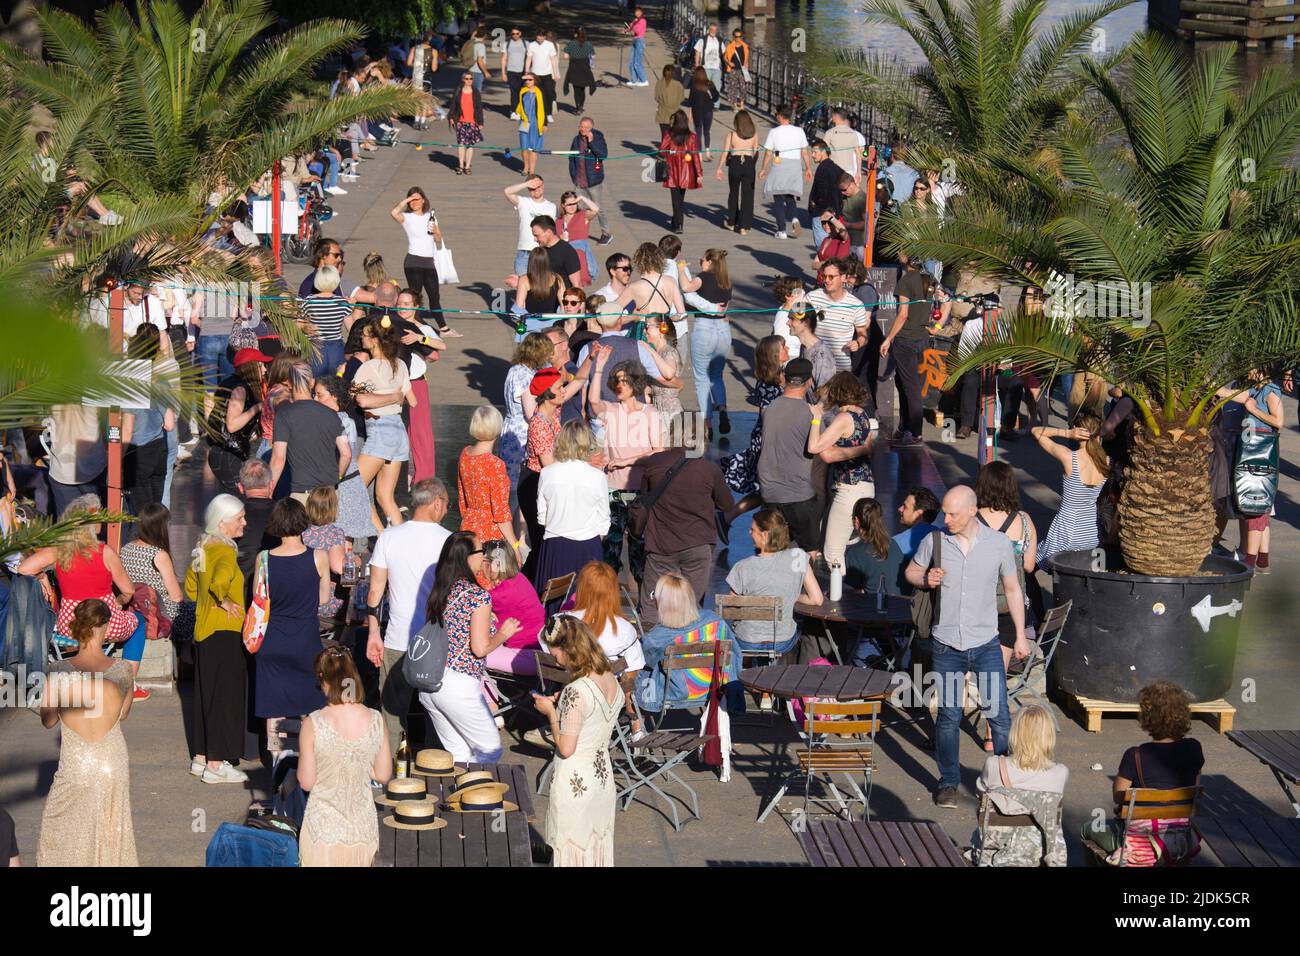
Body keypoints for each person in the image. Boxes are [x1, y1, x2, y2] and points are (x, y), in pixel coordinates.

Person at [906, 486, 1026, 809]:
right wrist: (925, 577)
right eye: (944, 512)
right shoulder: (934, 541)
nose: (946, 519)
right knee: (948, 717)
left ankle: (1003, 781)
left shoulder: (998, 545)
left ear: (973, 511)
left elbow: (1013, 589)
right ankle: (948, 782)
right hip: (946, 645)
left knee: (998, 716)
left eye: (953, 514)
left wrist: (1020, 635)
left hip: (986, 644)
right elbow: (911, 571)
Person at [37, 599, 137, 866]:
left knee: (62, 832)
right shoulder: (123, 670)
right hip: (112, 760)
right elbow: (123, 715)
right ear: (105, 627)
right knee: (112, 832)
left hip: (76, 763)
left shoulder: (57, 671)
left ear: (76, 628)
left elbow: (48, 721)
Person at [18, 495, 149, 698]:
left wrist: (43, 576)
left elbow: (24, 568)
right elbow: (129, 591)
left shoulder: (59, 550)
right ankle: (128, 684)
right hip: (105, 623)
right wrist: (119, 602)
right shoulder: (104, 552)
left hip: (70, 626)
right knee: (139, 621)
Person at [363, 479, 451, 753]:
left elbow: (375, 591)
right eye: (446, 504)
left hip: (397, 637)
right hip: (436, 641)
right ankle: (437, 771)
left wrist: (373, 634)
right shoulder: (449, 540)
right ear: (436, 503)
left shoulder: (389, 537)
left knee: (391, 712)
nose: (446, 510)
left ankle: (386, 773)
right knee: (437, 714)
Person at [421, 532, 520, 764]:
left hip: (430, 685)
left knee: (459, 755)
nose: (484, 556)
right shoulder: (477, 596)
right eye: (480, 552)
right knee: (489, 751)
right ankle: (476, 799)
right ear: (467, 558)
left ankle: (457, 798)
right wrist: (502, 633)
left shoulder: (441, 590)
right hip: (458, 686)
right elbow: (480, 648)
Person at [534, 615, 623, 866]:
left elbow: (566, 747)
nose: (556, 660)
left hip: (575, 784)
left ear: (569, 649)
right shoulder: (608, 677)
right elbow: (594, 713)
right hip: (602, 780)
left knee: (569, 850)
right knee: (596, 848)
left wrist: (552, 713)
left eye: (556, 654)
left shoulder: (577, 690)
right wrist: (565, 702)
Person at [1087, 680, 1204, 865]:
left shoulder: (1135, 755)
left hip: (1139, 845)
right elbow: (1193, 786)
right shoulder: (1194, 748)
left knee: (1088, 829)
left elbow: (1119, 796)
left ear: (1147, 717)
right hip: (1179, 841)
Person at [297, 646, 391, 867]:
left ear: (324, 680)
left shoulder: (313, 722)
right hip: (362, 830)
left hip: (322, 832)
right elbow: (384, 774)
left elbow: (307, 782)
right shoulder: (376, 719)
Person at [184, 494, 249, 783]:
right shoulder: (224, 552)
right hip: (225, 631)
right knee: (224, 697)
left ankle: (200, 757)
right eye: (239, 519)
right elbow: (220, 581)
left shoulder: (203, 548)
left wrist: (209, 601)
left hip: (203, 630)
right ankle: (215, 763)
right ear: (223, 523)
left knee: (205, 695)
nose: (244, 523)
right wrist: (222, 600)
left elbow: (190, 588)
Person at [255, 500, 330, 747]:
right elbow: (323, 598)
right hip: (305, 639)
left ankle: (278, 761)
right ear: (303, 522)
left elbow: (259, 600)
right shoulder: (318, 556)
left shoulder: (263, 558)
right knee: (308, 704)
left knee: (274, 707)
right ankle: (306, 756)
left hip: (272, 638)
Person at [637, 442, 733, 627]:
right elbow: (727, 504)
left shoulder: (654, 463)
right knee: (692, 606)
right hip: (698, 544)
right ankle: (687, 649)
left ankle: (652, 646)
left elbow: (644, 496)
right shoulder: (708, 469)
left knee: (652, 605)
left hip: (660, 544)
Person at [588, 350, 662, 582]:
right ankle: (609, 606)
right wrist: (598, 367)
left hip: (641, 491)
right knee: (611, 550)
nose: (619, 385)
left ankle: (644, 609)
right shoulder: (611, 410)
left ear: (635, 383)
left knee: (640, 550)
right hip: (613, 491)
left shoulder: (650, 413)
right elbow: (593, 401)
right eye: (616, 380)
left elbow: (658, 451)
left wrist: (625, 461)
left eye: (625, 380)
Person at [973, 704, 1068, 867]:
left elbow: (980, 797)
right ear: (1048, 736)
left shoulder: (994, 765)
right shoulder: (1060, 773)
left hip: (992, 854)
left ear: (1016, 733)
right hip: (1037, 855)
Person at [975, 460, 1039, 700]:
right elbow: (1030, 565)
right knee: (998, 671)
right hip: (1009, 606)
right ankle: (992, 734)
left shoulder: (972, 519)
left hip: (977, 604)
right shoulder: (1023, 520)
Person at [635, 573, 742, 714]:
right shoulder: (715, 621)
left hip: (678, 691)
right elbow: (735, 653)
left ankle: (636, 724)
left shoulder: (656, 637)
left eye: (655, 595)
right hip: (715, 686)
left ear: (663, 603)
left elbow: (645, 661)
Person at [726, 507, 822, 655]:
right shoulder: (798, 557)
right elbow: (816, 599)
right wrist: (790, 596)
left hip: (748, 641)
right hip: (782, 640)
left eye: (752, 530)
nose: (749, 533)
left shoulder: (742, 567)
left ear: (764, 535)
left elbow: (730, 609)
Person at [1216, 370, 1284, 570]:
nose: (1246, 371)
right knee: (1260, 502)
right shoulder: (1254, 390)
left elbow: (1278, 422)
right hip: (1252, 447)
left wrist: (1254, 410)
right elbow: (1238, 395)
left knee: (1256, 501)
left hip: (1260, 449)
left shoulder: (1271, 390)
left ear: (1262, 370)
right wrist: (1216, 388)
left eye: (1251, 368)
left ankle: (1250, 561)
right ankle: (1262, 557)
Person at [809, 371, 876, 569]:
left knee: (832, 552)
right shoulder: (861, 415)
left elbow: (815, 448)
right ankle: (848, 586)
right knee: (835, 538)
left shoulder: (844, 418)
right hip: (865, 485)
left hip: (848, 489)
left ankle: (838, 597)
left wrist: (815, 418)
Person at [534, 421, 610, 591]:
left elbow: (542, 517)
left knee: (552, 604)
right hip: (589, 546)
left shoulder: (547, 473)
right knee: (588, 603)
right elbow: (604, 519)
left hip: (555, 546)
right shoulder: (597, 477)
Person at [353, 319, 414, 529]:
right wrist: (395, 396)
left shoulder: (367, 368)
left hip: (380, 430)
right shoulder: (400, 364)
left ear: (375, 340)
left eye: (365, 334)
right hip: (398, 432)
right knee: (385, 497)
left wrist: (388, 397)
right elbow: (411, 400)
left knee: (353, 488)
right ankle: (400, 542)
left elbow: (361, 400)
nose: (361, 337)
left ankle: (381, 536)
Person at [756, 358, 821, 555]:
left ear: (784, 378)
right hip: (798, 494)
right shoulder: (809, 413)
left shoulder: (769, 409)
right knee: (810, 551)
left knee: (774, 549)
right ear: (810, 381)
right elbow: (819, 449)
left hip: (769, 492)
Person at [1032, 412, 1108, 571]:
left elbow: (1036, 432)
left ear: (1077, 432)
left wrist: (1066, 433)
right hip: (1092, 532)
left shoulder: (1069, 457)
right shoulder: (1106, 461)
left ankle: (1030, 596)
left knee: (1032, 564)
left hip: (1067, 531)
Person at [270, 363, 350, 504]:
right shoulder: (331, 414)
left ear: (289, 383)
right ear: (312, 382)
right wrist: (337, 478)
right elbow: (346, 454)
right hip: (329, 494)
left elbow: (278, 459)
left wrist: (267, 492)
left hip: (302, 493)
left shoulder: (284, 415)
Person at [721, 335, 786, 506]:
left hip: (774, 437)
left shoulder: (783, 375)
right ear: (774, 355)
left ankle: (733, 516)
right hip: (767, 438)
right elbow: (766, 416)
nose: (787, 350)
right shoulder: (767, 384)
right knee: (764, 487)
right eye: (783, 347)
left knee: (764, 489)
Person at [308, 376, 373, 541]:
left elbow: (346, 455)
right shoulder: (346, 419)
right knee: (344, 542)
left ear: (334, 396)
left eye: (319, 395)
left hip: (341, 486)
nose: (314, 398)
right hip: (347, 484)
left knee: (340, 539)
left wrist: (334, 480)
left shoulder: (339, 420)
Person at [121, 327, 176, 518]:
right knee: (154, 512)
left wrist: (116, 460)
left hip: (137, 454)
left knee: (139, 516)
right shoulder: (160, 381)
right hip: (159, 450)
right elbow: (170, 423)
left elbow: (127, 430)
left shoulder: (130, 384)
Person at [520, 367, 567, 573]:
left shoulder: (553, 414)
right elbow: (549, 464)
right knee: (541, 541)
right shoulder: (538, 424)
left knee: (545, 541)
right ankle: (530, 584)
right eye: (559, 387)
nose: (563, 390)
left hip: (547, 481)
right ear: (547, 394)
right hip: (535, 484)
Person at [881, 257, 930, 447]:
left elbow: (903, 314)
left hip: (906, 339)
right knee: (903, 385)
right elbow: (947, 300)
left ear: (906, 258)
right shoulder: (929, 278)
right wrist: (937, 324)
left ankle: (915, 433)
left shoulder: (906, 280)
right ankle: (904, 427)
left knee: (911, 388)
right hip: (922, 339)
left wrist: (889, 338)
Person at [480, 539, 545, 677]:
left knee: (474, 653)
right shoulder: (519, 578)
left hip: (526, 654)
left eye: (483, 561)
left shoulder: (499, 595)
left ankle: (489, 697)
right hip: (539, 645)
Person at [459, 405, 521, 550]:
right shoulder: (495, 464)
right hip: (490, 534)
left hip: (467, 527)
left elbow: (462, 498)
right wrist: (515, 545)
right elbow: (501, 513)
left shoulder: (465, 454)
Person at [501, 333, 557, 493]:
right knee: (518, 483)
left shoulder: (515, 369)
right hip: (521, 433)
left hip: (511, 427)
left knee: (511, 479)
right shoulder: (525, 376)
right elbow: (531, 413)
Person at [119, 502, 186, 631]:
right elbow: (176, 597)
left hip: (136, 608)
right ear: (161, 527)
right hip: (160, 614)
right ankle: (186, 651)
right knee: (193, 612)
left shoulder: (126, 548)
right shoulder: (158, 555)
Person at [690, 248, 733, 435]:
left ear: (709, 262)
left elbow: (687, 288)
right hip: (723, 330)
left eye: (702, 260)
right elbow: (726, 311)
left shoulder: (703, 277)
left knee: (701, 378)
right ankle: (722, 409)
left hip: (705, 328)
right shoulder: (727, 282)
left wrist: (683, 272)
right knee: (716, 376)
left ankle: (707, 422)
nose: (701, 263)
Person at [805, 259, 868, 373]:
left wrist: (858, 343)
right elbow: (796, 319)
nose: (826, 281)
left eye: (831, 277)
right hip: (813, 367)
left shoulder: (856, 305)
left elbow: (862, 334)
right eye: (824, 277)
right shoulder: (812, 298)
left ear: (844, 277)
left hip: (840, 369)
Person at [758, 106, 811, 240]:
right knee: (790, 196)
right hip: (795, 165)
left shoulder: (774, 132)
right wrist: (808, 168)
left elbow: (768, 152)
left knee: (778, 198)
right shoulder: (799, 131)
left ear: (780, 116)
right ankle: (794, 219)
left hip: (779, 164)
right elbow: (805, 151)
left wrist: (763, 168)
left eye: (776, 114)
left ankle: (781, 230)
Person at [299, 266, 357, 379]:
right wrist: (352, 307)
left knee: (313, 380)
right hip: (336, 348)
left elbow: (301, 322)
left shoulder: (308, 301)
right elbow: (351, 326)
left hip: (315, 348)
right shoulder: (342, 302)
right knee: (336, 382)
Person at [844, 498, 907, 596]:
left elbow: (854, 592)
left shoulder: (854, 552)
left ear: (856, 521)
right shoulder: (893, 544)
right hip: (901, 603)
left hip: (875, 606)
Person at [714, 109, 759, 235]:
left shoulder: (732, 135)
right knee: (748, 195)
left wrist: (719, 168)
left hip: (735, 163)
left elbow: (725, 152)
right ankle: (744, 227)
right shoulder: (754, 134)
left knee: (733, 193)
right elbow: (756, 152)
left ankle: (732, 221)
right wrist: (751, 164)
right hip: (749, 163)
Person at [568, 117, 611, 245]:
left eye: (586, 127)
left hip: (593, 181)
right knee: (579, 208)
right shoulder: (576, 140)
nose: (583, 129)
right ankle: (580, 232)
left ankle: (606, 234)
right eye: (581, 126)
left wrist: (592, 142)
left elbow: (603, 155)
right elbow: (571, 158)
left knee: (597, 208)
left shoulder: (598, 138)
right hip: (579, 181)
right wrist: (573, 175)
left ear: (592, 128)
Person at [659, 111, 702, 235]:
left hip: (672, 169)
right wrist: (699, 173)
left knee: (675, 198)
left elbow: (662, 150)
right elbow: (696, 157)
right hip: (686, 170)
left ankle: (678, 224)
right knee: (681, 198)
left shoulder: (669, 134)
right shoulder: (692, 136)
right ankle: (676, 220)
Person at [504, 176, 557, 276]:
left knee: (541, 288)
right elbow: (507, 192)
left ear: (543, 185)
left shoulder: (552, 207)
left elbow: (554, 230)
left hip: (544, 253)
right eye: (532, 188)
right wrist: (526, 184)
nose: (536, 190)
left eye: (539, 186)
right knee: (523, 287)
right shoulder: (523, 202)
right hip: (525, 252)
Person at [302, 485, 350, 578]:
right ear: (333, 507)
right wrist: (354, 560)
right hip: (322, 584)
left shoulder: (300, 530)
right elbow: (338, 568)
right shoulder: (334, 533)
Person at [807, 139, 845, 252]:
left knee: (823, 249)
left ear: (823, 151)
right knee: (832, 247)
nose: (812, 155)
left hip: (821, 214)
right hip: (833, 214)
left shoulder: (823, 168)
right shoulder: (835, 167)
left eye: (815, 152)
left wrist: (815, 203)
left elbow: (823, 192)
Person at [557, 191, 600, 285]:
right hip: (563, 256)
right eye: (569, 204)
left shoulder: (583, 215)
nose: (572, 206)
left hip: (579, 257)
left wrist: (582, 198)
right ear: (563, 205)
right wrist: (560, 237)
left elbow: (596, 209)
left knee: (578, 287)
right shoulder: (559, 220)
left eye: (574, 203)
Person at [789, 307, 836, 393]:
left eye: (792, 319)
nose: (787, 323)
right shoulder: (804, 346)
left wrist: (815, 407)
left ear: (806, 322)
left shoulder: (822, 355)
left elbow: (826, 394)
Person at [448, 71, 485, 178]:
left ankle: (467, 166)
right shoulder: (458, 91)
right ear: (463, 80)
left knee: (470, 145)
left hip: (473, 121)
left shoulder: (476, 92)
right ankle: (460, 166)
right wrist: (451, 117)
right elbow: (453, 105)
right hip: (460, 121)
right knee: (461, 144)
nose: (469, 81)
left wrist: (480, 122)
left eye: (471, 79)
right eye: (467, 79)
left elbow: (479, 108)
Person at [515, 246, 566, 320]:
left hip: (532, 322)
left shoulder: (524, 279)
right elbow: (563, 304)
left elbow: (519, 306)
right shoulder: (557, 278)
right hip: (552, 322)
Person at [894, 485, 943, 559]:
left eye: (905, 506)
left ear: (919, 515)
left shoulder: (896, 543)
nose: (900, 509)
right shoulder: (943, 538)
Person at [514, 73, 547, 178]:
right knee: (524, 147)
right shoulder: (522, 91)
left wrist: (545, 123)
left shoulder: (540, 92)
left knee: (534, 148)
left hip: (536, 121)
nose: (528, 81)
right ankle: (525, 167)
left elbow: (545, 108)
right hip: (524, 120)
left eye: (530, 80)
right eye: (526, 80)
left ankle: (532, 170)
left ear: (535, 81)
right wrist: (523, 77)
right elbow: (515, 84)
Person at [823, 109, 866, 183]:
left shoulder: (829, 133)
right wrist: (859, 172)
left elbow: (823, 153)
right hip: (849, 171)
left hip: (833, 169)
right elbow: (861, 154)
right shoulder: (856, 135)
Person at [686, 67, 719, 162]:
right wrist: (710, 100)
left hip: (697, 112)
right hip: (708, 111)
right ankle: (708, 153)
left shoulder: (694, 86)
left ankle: (699, 155)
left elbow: (690, 101)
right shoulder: (710, 84)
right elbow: (716, 97)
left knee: (698, 133)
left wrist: (690, 114)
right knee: (707, 131)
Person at [561, 28, 597, 112]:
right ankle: (581, 106)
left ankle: (577, 107)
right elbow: (593, 56)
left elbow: (565, 56)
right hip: (584, 68)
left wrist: (573, 56)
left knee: (576, 89)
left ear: (575, 34)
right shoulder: (588, 44)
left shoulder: (571, 43)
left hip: (574, 67)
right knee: (582, 89)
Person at [525, 29, 560, 108]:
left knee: (549, 93)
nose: (540, 40)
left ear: (545, 37)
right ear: (536, 37)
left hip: (548, 73)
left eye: (541, 38)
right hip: (535, 73)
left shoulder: (550, 45)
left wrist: (555, 73)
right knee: (537, 93)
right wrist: (526, 72)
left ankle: (548, 113)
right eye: (538, 38)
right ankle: (539, 110)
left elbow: (553, 60)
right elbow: (528, 59)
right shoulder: (531, 45)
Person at [694, 23, 725, 107]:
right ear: (708, 30)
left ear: (717, 31)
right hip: (705, 67)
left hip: (717, 67)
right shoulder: (702, 40)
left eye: (715, 30)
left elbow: (724, 54)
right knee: (704, 86)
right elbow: (697, 52)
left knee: (717, 86)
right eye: (711, 30)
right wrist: (697, 65)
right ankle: (705, 102)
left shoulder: (720, 40)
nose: (713, 31)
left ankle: (716, 105)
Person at [653, 64, 685, 138]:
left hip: (662, 112)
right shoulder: (678, 85)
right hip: (675, 113)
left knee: (664, 135)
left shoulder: (659, 83)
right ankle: (672, 149)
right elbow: (682, 99)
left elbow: (656, 98)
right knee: (674, 135)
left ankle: (664, 148)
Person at [501, 26, 528, 106]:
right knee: (513, 91)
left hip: (522, 71)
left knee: (523, 91)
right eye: (513, 34)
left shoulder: (526, 44)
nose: (515, 35)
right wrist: (503, 73)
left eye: (517, 33)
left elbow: (530, 58)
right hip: (511, 71)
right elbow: (504, 59)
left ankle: (521, 110)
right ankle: (513, 111)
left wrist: (528, 71)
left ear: (520, 33)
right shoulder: (507, 44)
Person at [722, 28, 749, 108]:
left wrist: (746, 64)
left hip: (742, 70)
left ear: (741, 37)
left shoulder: (745, 46)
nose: (738, 38)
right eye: (736, 36)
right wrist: (729, 63)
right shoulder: (730, 46)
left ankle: (741, 103)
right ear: (733, 37)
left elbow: (746, 57)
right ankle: (734, 104)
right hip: (733, 69)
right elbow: (724, 57)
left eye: (739, 36)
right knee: (733, 88)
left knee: (743, 87)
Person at [623, 7, 647, 86]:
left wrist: (634, 24)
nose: (635, 13)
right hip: (635, 40)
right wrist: (626, 30)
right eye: (635, 12)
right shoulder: (636, 20)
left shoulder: (642, 20)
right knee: (631, 62)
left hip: (640, 41)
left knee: (637, 62)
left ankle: (644, 80)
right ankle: (634, 80)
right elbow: (630, 28)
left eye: (637, 12)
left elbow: (637, 30)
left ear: (640, 12)